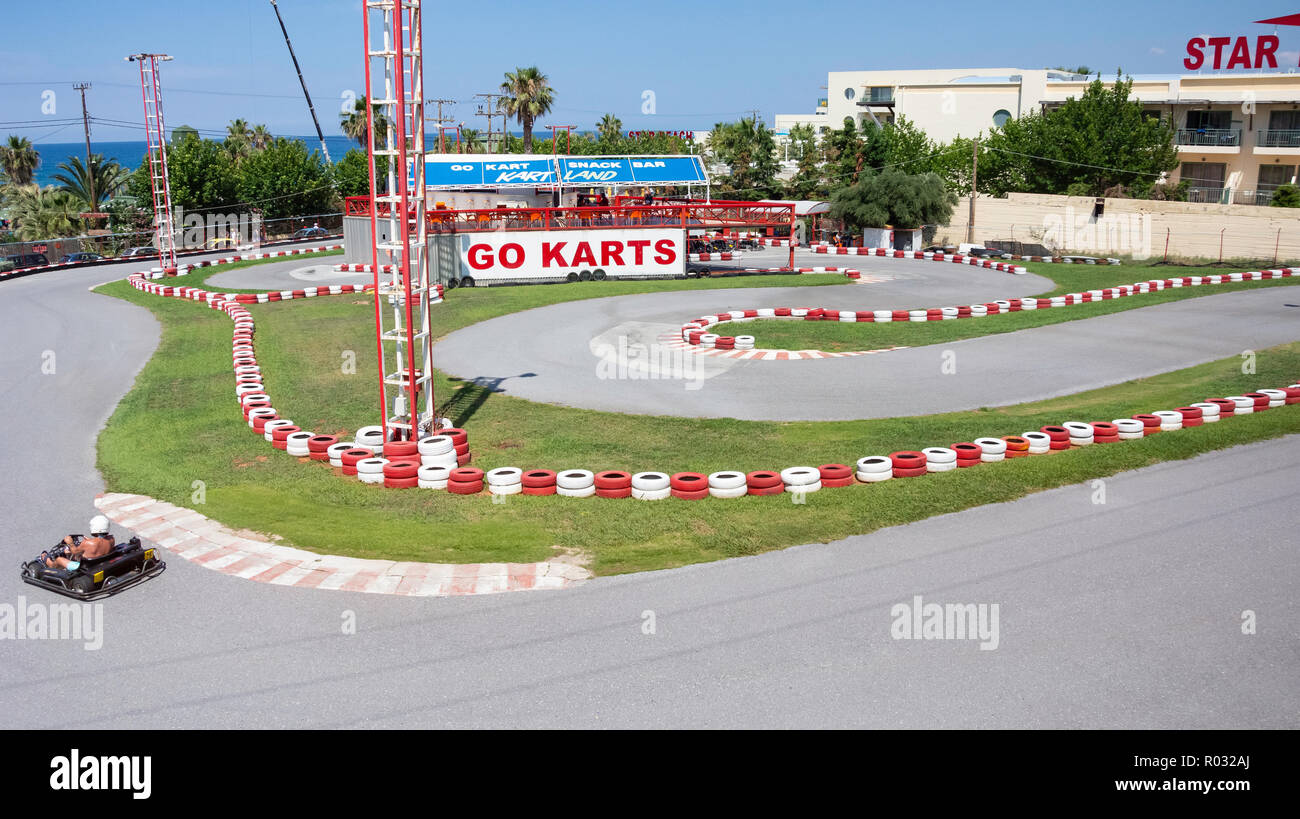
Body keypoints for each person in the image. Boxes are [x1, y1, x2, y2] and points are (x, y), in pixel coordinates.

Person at [43, 515, 115, 570]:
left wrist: (70, 542)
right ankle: (65, 562)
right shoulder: (111, 539)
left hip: (84, 567)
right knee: (69, 553)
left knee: (59, 559)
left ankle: (50, 564)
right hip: (99, 563)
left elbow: (75, 552)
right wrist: (89, 540)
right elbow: (99, 544)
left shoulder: (87, 543)